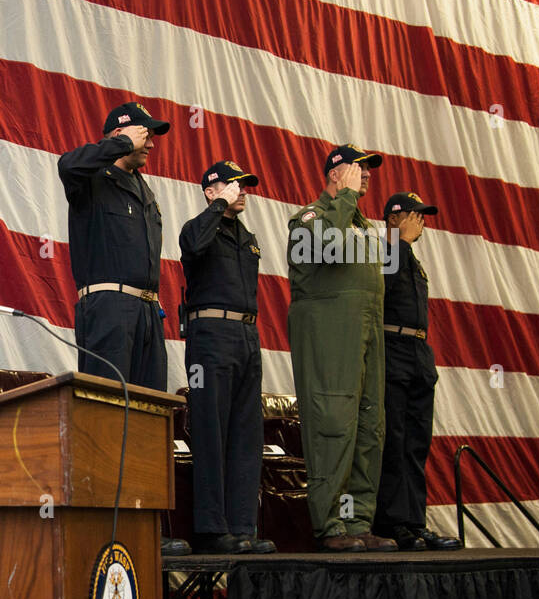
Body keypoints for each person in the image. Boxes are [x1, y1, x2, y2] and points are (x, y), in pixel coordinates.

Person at [59, 101, 188, 555]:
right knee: (108, 413)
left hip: (148, 312)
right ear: (122, 134)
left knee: (151, 417)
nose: (151, 141)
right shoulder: (91, 178)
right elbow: (66, 163)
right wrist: (116, 144)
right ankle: (107, 523)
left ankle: (149, 525)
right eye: (145, 133)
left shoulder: (144, 189)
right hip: (108, 305)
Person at [285, 146, 397, 552]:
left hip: (367, 331)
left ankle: (356, 520)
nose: (367, 175)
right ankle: (330, 525)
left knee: (369, 425)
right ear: (336, 173)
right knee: (333, 420)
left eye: (368, 169)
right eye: (359, 168)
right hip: (329, 332)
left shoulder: (364, 226)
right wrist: (345, 199)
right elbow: (327, 250)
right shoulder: (309, 218)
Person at [178, 161, 276, 555]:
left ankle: (241, 526)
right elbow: (192, 248)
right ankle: (212, 527)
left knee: (246, 434)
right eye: (233, 184)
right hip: (210, 335)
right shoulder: (198, 226)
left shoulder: (247, 237)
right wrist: (218, 207)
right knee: (210, 429)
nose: (242, 190)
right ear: (210, 190)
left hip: (246, 335)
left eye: (244, 184)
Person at [373, 193, 462, 550]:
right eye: (414, 215)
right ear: (394, 220)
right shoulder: (384, 251)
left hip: (418, 354)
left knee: (416, 443)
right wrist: (400, 244)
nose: (421, 221)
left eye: (423, 215)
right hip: (392, 351)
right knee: (393, 441)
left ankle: (414, 520)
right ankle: (392, 523)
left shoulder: (412, 259)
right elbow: (382, 290)